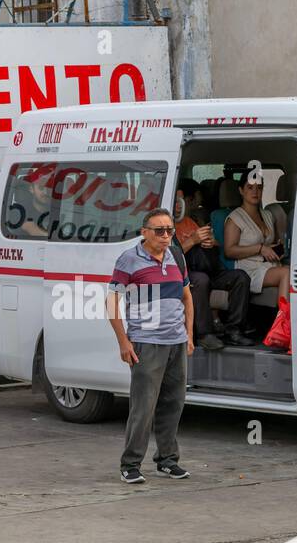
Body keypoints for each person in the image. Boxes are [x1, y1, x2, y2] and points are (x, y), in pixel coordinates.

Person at [108, 208, 194, 484]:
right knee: (143, 407)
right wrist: (124, 342)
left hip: (176, 342)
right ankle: (130, 464)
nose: (166, 236)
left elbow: (187, 297)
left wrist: (189, 335)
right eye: (159, 230)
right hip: (146, 343)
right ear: (144, 232)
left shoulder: (177, 256)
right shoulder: (129, 260)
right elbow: (112, 302)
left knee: (173, 403)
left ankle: (167, 460)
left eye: (170, 230)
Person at [174, 185, 253, 349]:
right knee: (201, 280)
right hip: (184, 272)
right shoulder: (165, 227)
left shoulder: (190, 222)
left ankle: (234, 330)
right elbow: (170, 256)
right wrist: (192, 241)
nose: (179, 205)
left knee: (240, 277)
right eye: (176, 201)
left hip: (207, 267)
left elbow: (213, 246)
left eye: (181, 201)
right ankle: (204, 334)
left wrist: (211, 242)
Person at [222, 171, 292, 346]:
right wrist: (259, 249)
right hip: (248, 270)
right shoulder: (235, 218)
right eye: (250, 187)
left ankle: (288, 325)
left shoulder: (267, 215)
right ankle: (281, 328)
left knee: (293, 269)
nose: (255, 192)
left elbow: (272, 243)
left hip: (270, 265)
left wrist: (277, 249)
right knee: (286, 273)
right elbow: (229, 251)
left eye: (259, 188)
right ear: (241, 190)